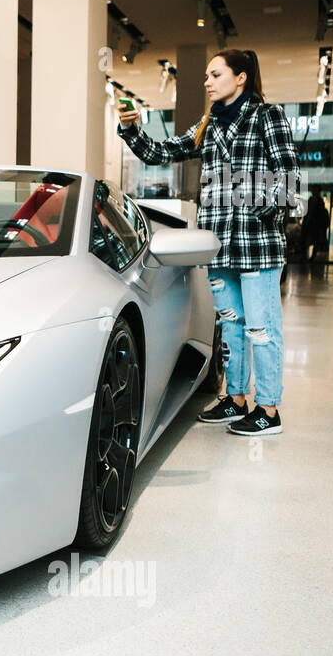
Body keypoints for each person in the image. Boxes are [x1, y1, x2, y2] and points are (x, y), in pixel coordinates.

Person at [117, 48, 298, 436]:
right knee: (231, 328)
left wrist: (254, 212)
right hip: (220, 248)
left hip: (257, 246)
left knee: (261, 330)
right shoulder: (209, 124)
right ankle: (236, 400)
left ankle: (269, 408)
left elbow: (288, 179)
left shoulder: (268, 117)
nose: (207, 82)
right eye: (207, 76)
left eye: (216, 74)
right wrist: (132, 130)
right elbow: (163, 152)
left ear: (241, 77)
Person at [302, 184, 330, 263]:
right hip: (309, 224)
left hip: (315, 225)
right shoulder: (311, 200)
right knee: (307, 241)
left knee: (314, 241)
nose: (314, 192)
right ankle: (306, 257)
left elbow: (318, 213)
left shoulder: (319, 201)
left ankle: (311, 258)